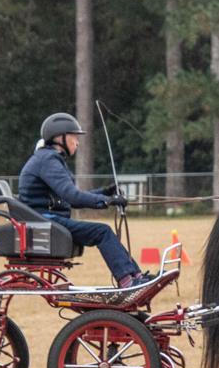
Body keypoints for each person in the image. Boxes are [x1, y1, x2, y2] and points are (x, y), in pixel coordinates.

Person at [18, 112, 149, 288]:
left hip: (45, 219)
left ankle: (135, 275)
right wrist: (106, 200)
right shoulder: (48, 160)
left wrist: (105, 193)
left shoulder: (47, 159)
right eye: (74, 136)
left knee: (102, 231)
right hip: (44, 221)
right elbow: (73, 197)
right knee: (102, 232)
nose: (77, 142)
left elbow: (70, 198)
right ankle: (128, 280)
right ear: (60, 138)